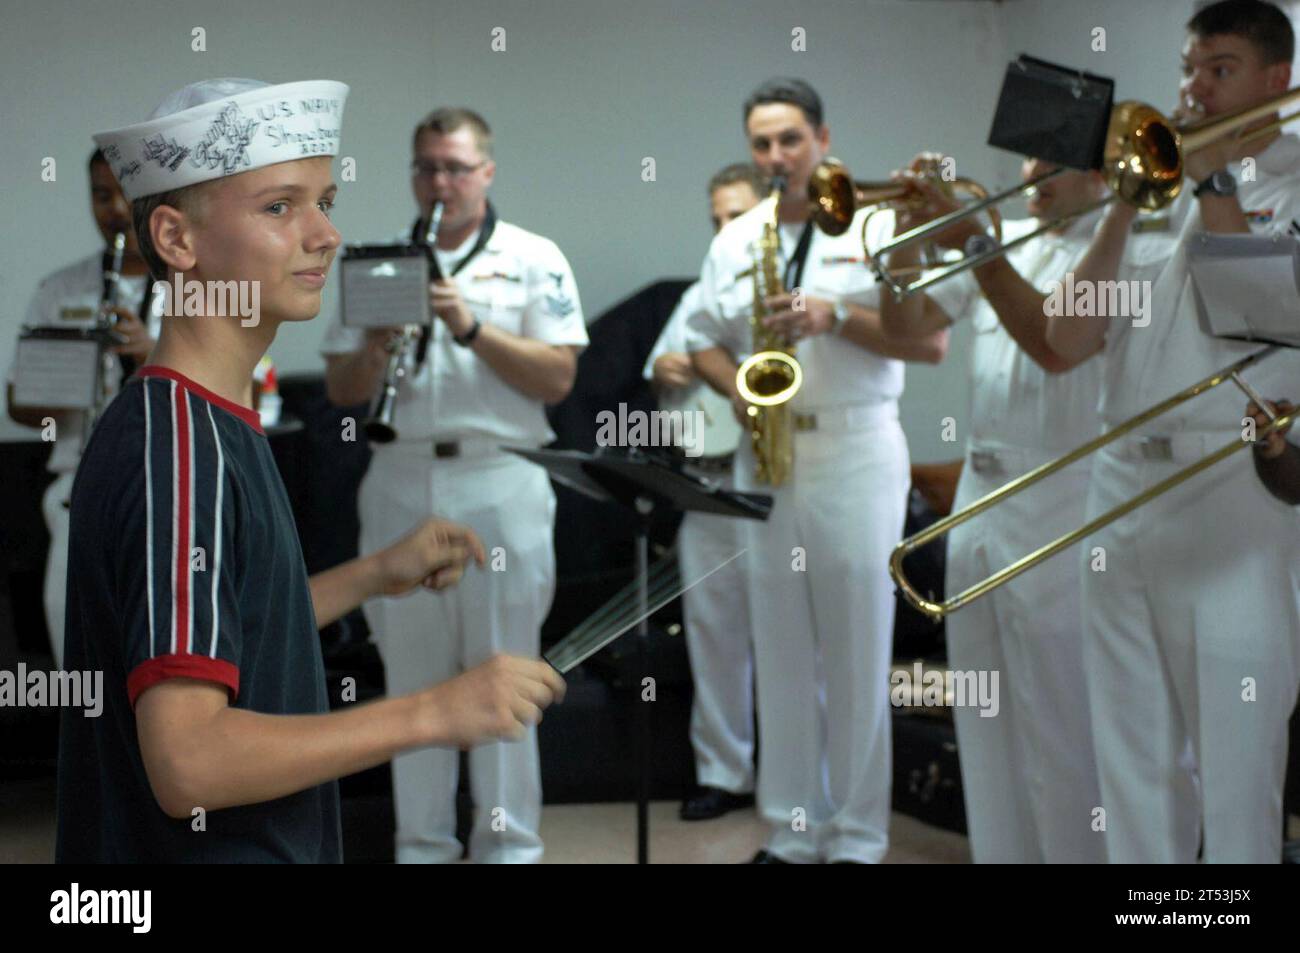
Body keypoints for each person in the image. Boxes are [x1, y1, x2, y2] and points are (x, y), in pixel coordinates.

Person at [57, 78, 564, 863]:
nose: (325, 234)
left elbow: (233, 626)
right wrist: (434, 711)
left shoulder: (207, 419)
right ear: (176, 238)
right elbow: (188, 761)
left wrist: (370, 575)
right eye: (279, 206)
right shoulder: (179, 444)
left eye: (324, 200)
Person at [1045, 0, 1300, 862]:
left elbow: (1254, 318)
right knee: (1133, 767)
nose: (1193, 88)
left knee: (1234, 768)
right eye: (1190, 68)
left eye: (1219, 69)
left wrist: (1213, 182)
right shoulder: (1152, 189)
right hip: (1119, 486)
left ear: (1277, 81)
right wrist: (1120, 206)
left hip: (1229, 487)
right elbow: (1070, 336)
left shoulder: (1295, 182)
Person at [879, 152, 1169, 862]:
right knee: (986, 715)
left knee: (1059, 716)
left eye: (1053, 160)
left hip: (1062, 493)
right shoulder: (1011, 236)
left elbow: (1053, 348)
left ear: (1102, 174)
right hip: (981, 492)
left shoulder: (1126, 250)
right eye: (1028, 156)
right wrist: (908, 242)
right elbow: (905, 327)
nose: (1032, 171)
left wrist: (978, 245)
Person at [687, 77, 947, 863]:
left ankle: (860, 837)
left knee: (858, 648)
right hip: (768, 452)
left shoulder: (873, 223)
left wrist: (834, 317)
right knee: (783, 648)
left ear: (823, 140)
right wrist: (737, 389)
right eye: (762, 142)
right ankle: (794, 830)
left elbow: (927, 343)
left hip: (854, 447)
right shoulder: (738, 240)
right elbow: (700, 333)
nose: (775, 157)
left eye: (790, 140)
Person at [322, 107, 587, 863]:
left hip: (500, 476)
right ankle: (422, 848)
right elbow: (341, 389)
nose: (439, 182)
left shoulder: (535, 256)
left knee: (502, 667)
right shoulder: (377, 262)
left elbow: (561, 376)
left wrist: (470, 326)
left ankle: (509, 850)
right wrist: (374, 348)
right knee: (410, 680)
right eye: (426, 167)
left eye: (455, 168)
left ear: (487, 173)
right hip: (400, 474)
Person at [7, 150, 162, 668]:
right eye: (100, 196)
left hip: (168, 492)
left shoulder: (203, 287)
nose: (115, 209)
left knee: (159, 669)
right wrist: (66, 373)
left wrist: (148, 353)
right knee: (83, 676)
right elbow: (22, 407)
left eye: (127, 195)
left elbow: (241, 402)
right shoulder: (61, 288)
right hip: (80, 492)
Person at [644, 161, 764, 821]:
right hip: (706, 485)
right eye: (716, 218)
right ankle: (724, 771)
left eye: (738, 217)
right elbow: (663, 374)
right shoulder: (701, 292)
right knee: (713, 636)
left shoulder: (781, 289)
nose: (724, 229)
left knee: (793, 640)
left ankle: (800, 782)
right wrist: (664, 369)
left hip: (772, 487)